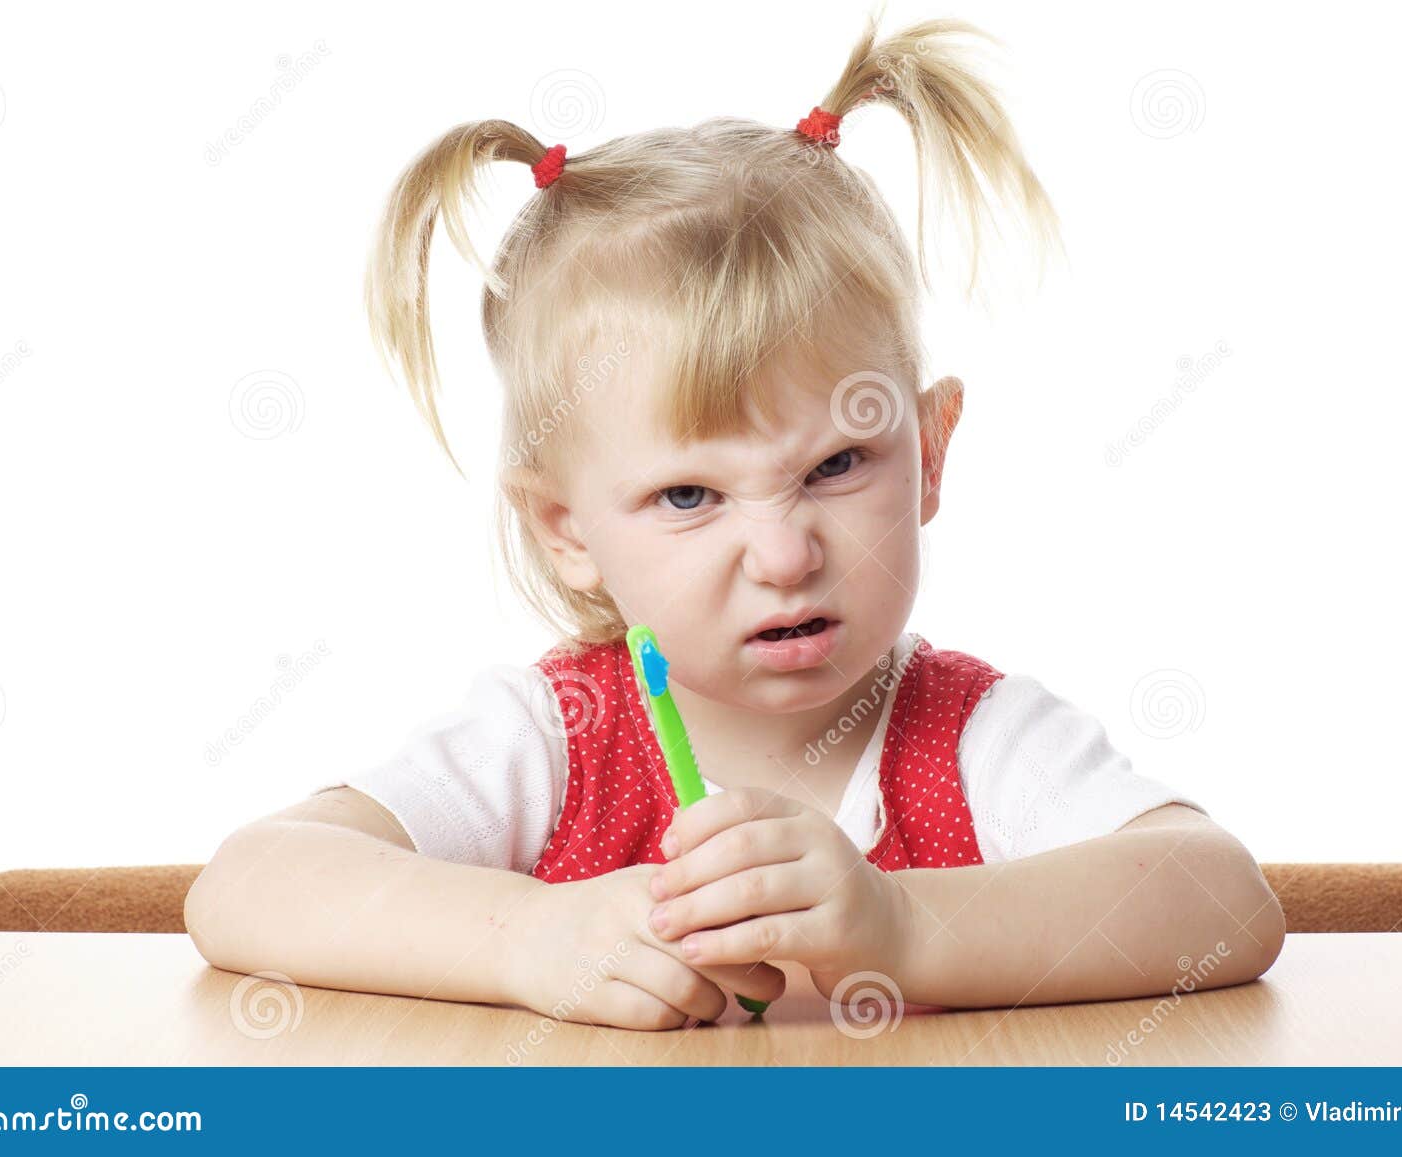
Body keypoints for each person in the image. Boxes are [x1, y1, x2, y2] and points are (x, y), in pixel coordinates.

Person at [185, 12, 1284, 1032]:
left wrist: (900, 927)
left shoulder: (973, 739)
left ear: (930, 451)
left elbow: (1222, 897)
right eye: (688, 496)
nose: (785, 552)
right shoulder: (552, 737)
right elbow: (247, 884)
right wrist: (529, 938)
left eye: (838, 463)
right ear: (565, 530)